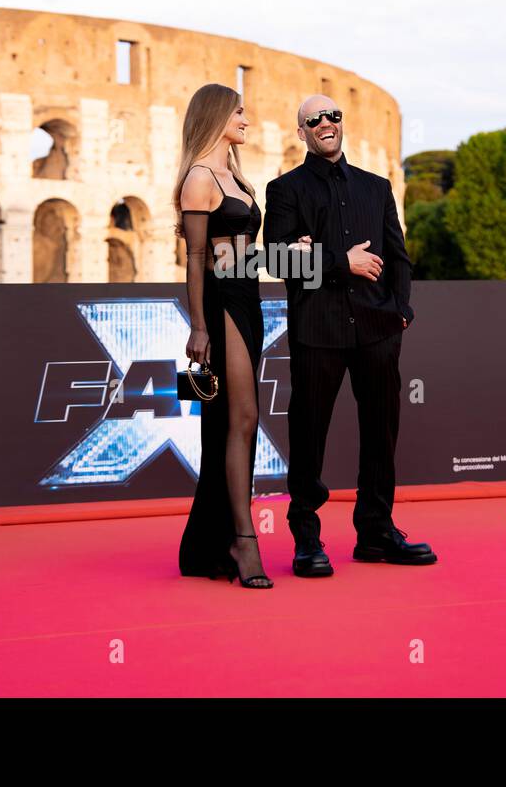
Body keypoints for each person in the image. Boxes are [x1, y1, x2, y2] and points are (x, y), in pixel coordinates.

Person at [263, 95, 437, 577]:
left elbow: (398, 258)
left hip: (378, 329)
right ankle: (306, 539)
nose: (325, 123)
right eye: (313, 119)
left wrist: (400, 311)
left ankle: (377, 532)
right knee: (308, 433)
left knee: (382, 433)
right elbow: (276, 261)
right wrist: (344, 262)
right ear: (301, 133)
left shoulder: (377, 188)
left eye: (333, 116)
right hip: (317, 332)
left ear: (342, 124)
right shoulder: (283, 191)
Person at [175, 83, 309, 589]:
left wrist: (295, 251)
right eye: (238, 112)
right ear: (215, 116)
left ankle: (223, 536)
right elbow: (195, 260)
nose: (246, 119)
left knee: (243, 419)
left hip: (247, 300)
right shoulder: (200, 178)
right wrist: (199, 326)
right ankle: (242, 539)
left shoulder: (235, 175)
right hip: (220, 304)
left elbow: (239, 255)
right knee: (241, 415)